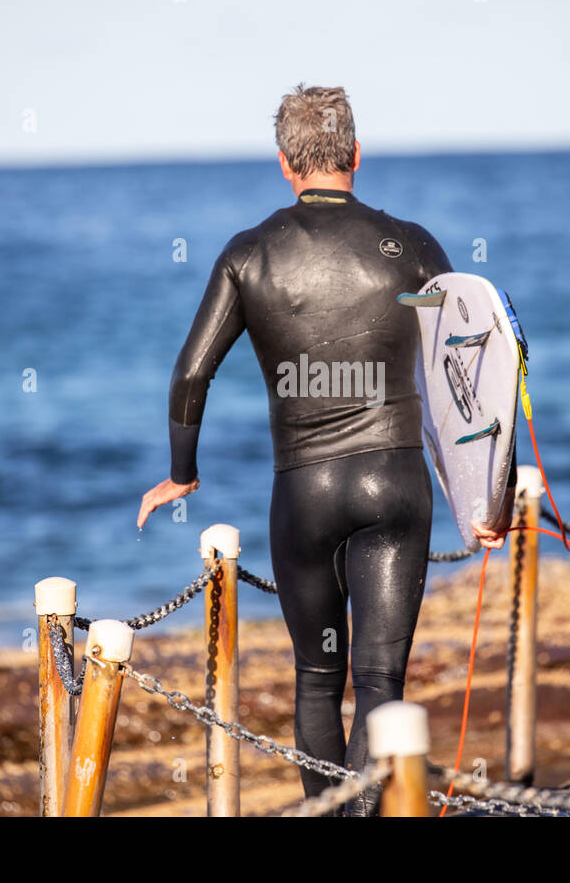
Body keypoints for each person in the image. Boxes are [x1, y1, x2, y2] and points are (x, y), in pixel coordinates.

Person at [137, 85, 515, 815]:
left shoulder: (248, 254)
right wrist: (484, 497)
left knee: (318, 677)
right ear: (357, 155)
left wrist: (182, 474)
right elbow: (470, 377)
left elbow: (191, 371)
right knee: (379, 683)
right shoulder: (411, 247)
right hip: (395, 486)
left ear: (285, 163)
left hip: (303, 493)